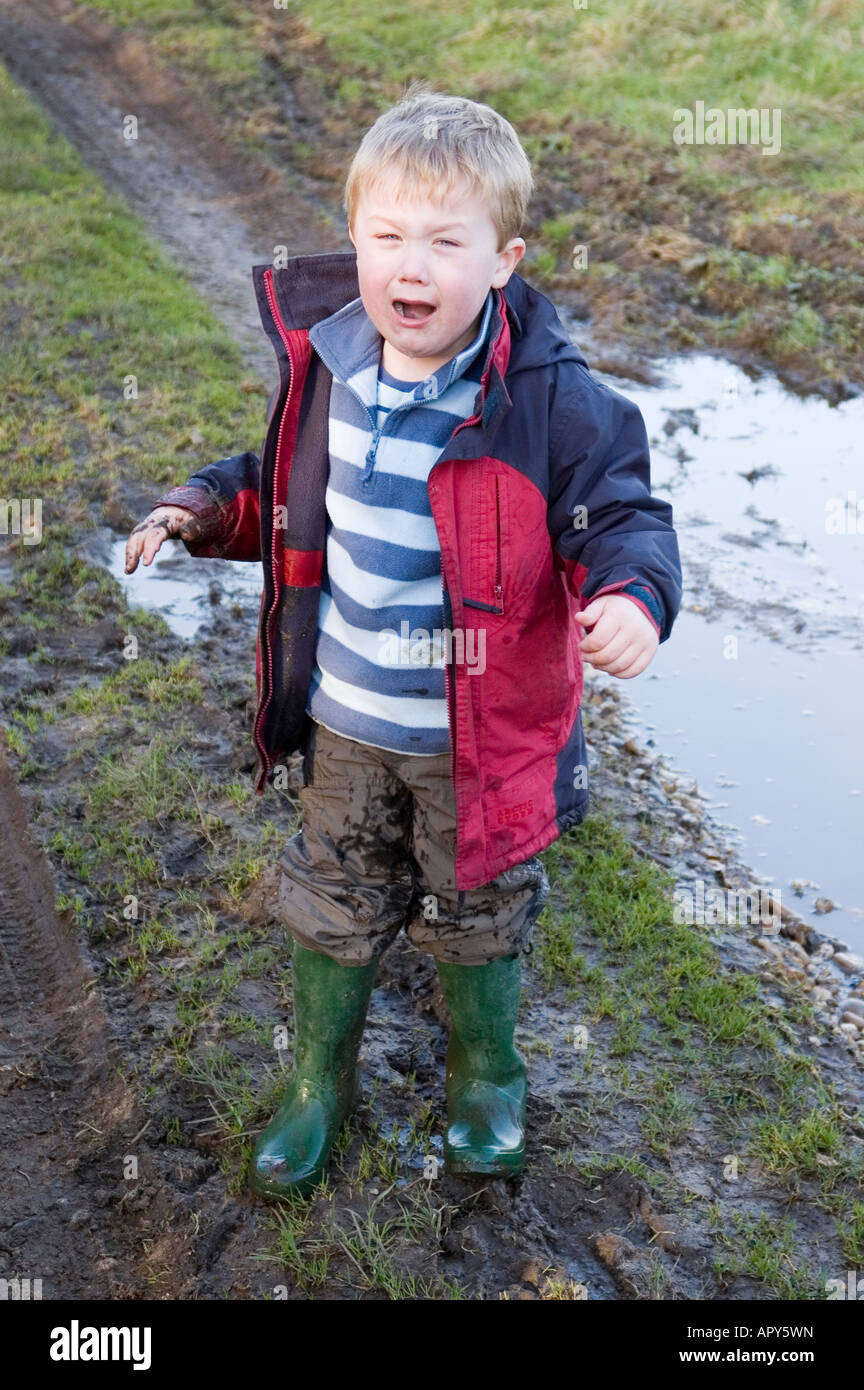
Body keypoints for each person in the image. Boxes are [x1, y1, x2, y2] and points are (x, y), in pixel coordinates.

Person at [125, 82, 682, 1200]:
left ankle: (486, 1073)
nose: (410, 268)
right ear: (354, 239)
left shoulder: (548, 402)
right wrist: (196, 508)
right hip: (346, 726)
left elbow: (623, 513)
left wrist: (633, 595)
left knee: (479, 908)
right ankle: (318, 1085)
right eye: (387, 237)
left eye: (444, 241)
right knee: (330, 897)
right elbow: (278, 492)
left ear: (504, 258)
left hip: (481, 743)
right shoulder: (332, 369)